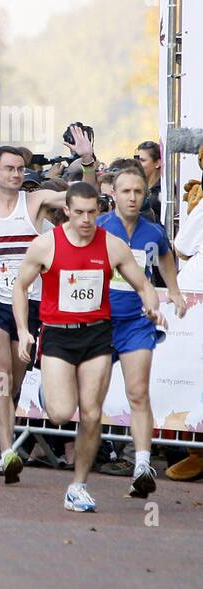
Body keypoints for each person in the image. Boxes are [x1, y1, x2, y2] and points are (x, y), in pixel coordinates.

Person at [12, 182, 164, 512]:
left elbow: (143, 284)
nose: (85, 219)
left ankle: (78, 485)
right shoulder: (45, 245)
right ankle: (48, 393)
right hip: (58, 334)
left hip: (97, 334)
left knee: (92, 413)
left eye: (91, 213)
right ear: (66, 210)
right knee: (61, 413)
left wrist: (152, 306)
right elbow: (20, 286)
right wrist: (24, 330)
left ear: (100, 210)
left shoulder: (111, 245)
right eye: (78, 212)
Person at [0, 138, 94, 482]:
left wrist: (88, 161)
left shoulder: (34, 201)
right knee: (3, 372)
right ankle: (9, 452)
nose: (15, 174)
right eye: (8, 168)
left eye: (20, 169)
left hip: (29, 302)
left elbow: (85, 199)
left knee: (14, 385)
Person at [96, 166, 189, 498]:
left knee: (137, 392)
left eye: (138, 191)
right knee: (89, 398)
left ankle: (141, 465)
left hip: (137, 321)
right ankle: (85, 465)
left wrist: (173, 290)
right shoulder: (99, 228)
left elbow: (166, 258)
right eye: (126, 192)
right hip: (101, 321)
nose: (133, 197)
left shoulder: (153, 231)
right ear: (114, 194)